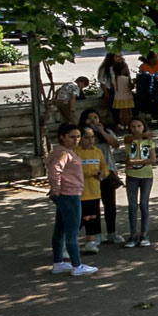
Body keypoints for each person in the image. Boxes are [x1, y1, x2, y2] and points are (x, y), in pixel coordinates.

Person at [47, 123, 95, 275]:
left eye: (78, 137)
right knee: (72, 232)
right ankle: (77, 266)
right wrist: (55, 190)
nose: (76, 140)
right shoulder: (64, 153)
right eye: (72, 137)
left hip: (66, 194)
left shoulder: (61, 151)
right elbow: (55, 171)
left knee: (60, 230)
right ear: (62, 137)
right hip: (69, 194)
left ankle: (58, 262)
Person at [78, 110, 124, 245]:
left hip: (108, 172)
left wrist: (102, 132)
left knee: (110, 204)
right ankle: (95, 234)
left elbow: (115, 144)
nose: (93, 120)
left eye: (96, 117)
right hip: (90, 176)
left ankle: (112, 232)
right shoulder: (81, 135)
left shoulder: (106, 132)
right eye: (89, 118)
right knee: (93, 207)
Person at [123, 116, 157, 246]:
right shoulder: (128, 139)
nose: (136, 129)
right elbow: (130, 138)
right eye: (133, 126)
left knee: (144, 204)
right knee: (132, 205)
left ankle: (144, 234)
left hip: (146, 176)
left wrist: (135, 161)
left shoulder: (149, 142)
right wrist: (142, 135)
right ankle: (132, 234)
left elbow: (153, 160)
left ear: (144, 126)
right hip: (132, 175)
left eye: (139, 126)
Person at [76, 124, 107, 256]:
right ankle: (68, 241)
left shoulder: (97, 151)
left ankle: (91, 242)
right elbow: (76, 171)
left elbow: (104, 166)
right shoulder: (76, 152)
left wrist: (103, 173)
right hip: (81, 192)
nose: (90, 140)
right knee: (81, 218)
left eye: (92, 137)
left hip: (95, 191)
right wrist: (91, 172)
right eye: (87, 137)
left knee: (93, 218)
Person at [109, 58, 134, 130]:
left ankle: (122, 124)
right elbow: (130, 87)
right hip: (127, 97)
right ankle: (129, 124)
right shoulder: (126, 78)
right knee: (128, 112)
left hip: (118, 97)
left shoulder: (114, 79)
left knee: (121, 112)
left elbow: (112, 88)